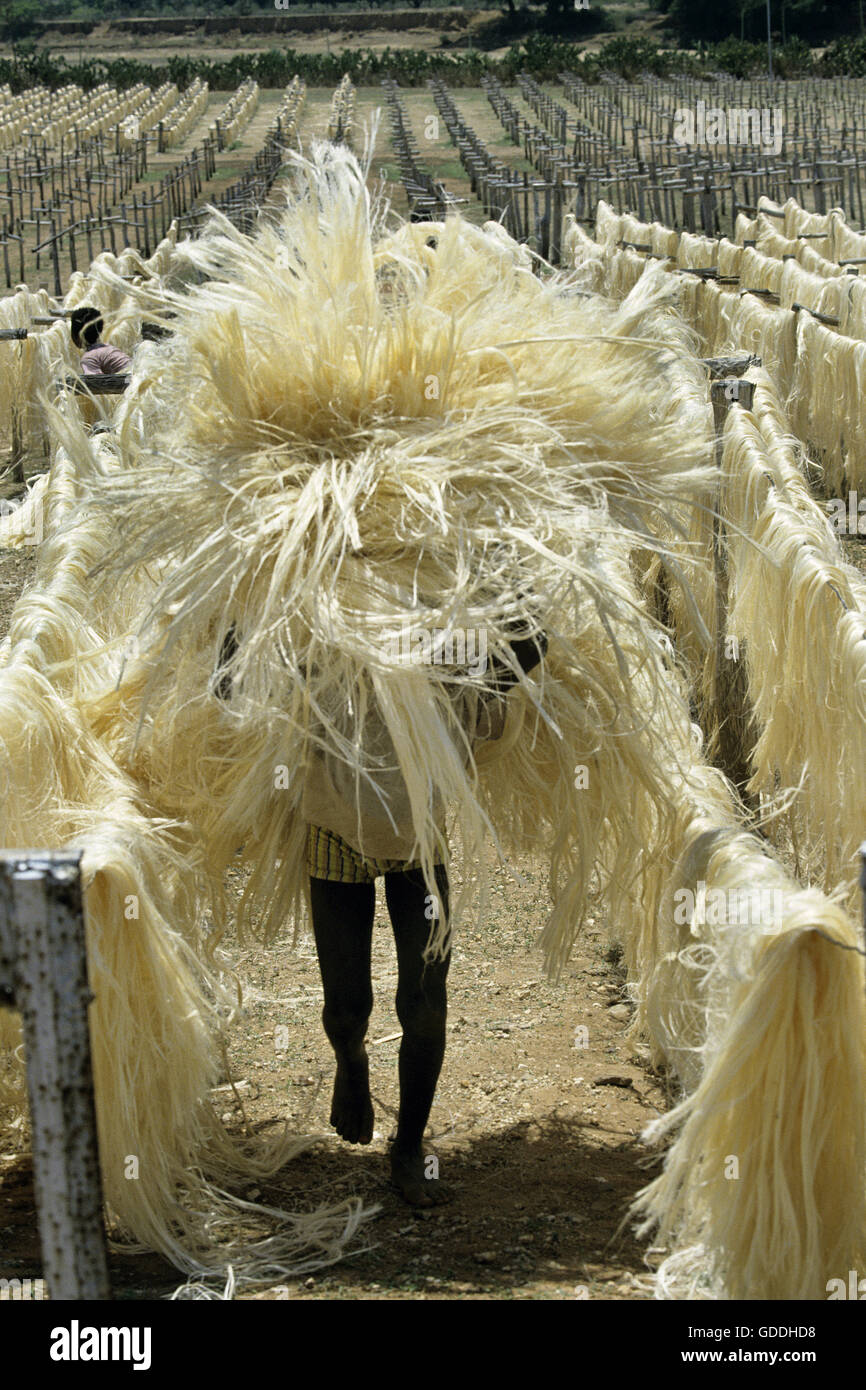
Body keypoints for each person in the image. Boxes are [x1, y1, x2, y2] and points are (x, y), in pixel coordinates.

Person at [69, 306, 132, 376]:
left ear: (76, 336)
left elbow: (95, 383)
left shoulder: (89, 358)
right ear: (100, 330)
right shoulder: (109, 348)